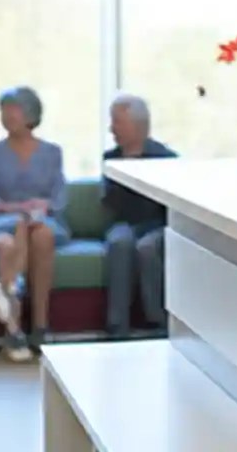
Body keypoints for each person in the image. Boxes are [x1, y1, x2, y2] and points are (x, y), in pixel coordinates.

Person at [0, 86, 70, 361]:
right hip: (0, 221)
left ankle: (40, 326)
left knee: (43, 237)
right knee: (10, 239)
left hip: (42, 220)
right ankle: (13, 330)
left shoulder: (52, 152)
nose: (7, 116)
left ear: (30, 114)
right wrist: (19, 209)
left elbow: (59, 198)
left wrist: (39, 208)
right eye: (3, 111)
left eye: (13, 110)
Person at [101, 93, 176, 338]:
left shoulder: (166, 159)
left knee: (147, 247)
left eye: (117, 122)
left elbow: (166, 207)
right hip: (125, 224)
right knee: (120, 242)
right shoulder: (111, 159)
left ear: (138, 126)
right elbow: (113, 204)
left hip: (158, 225)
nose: (112, 129)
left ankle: (159, 323)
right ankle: (117, 326)